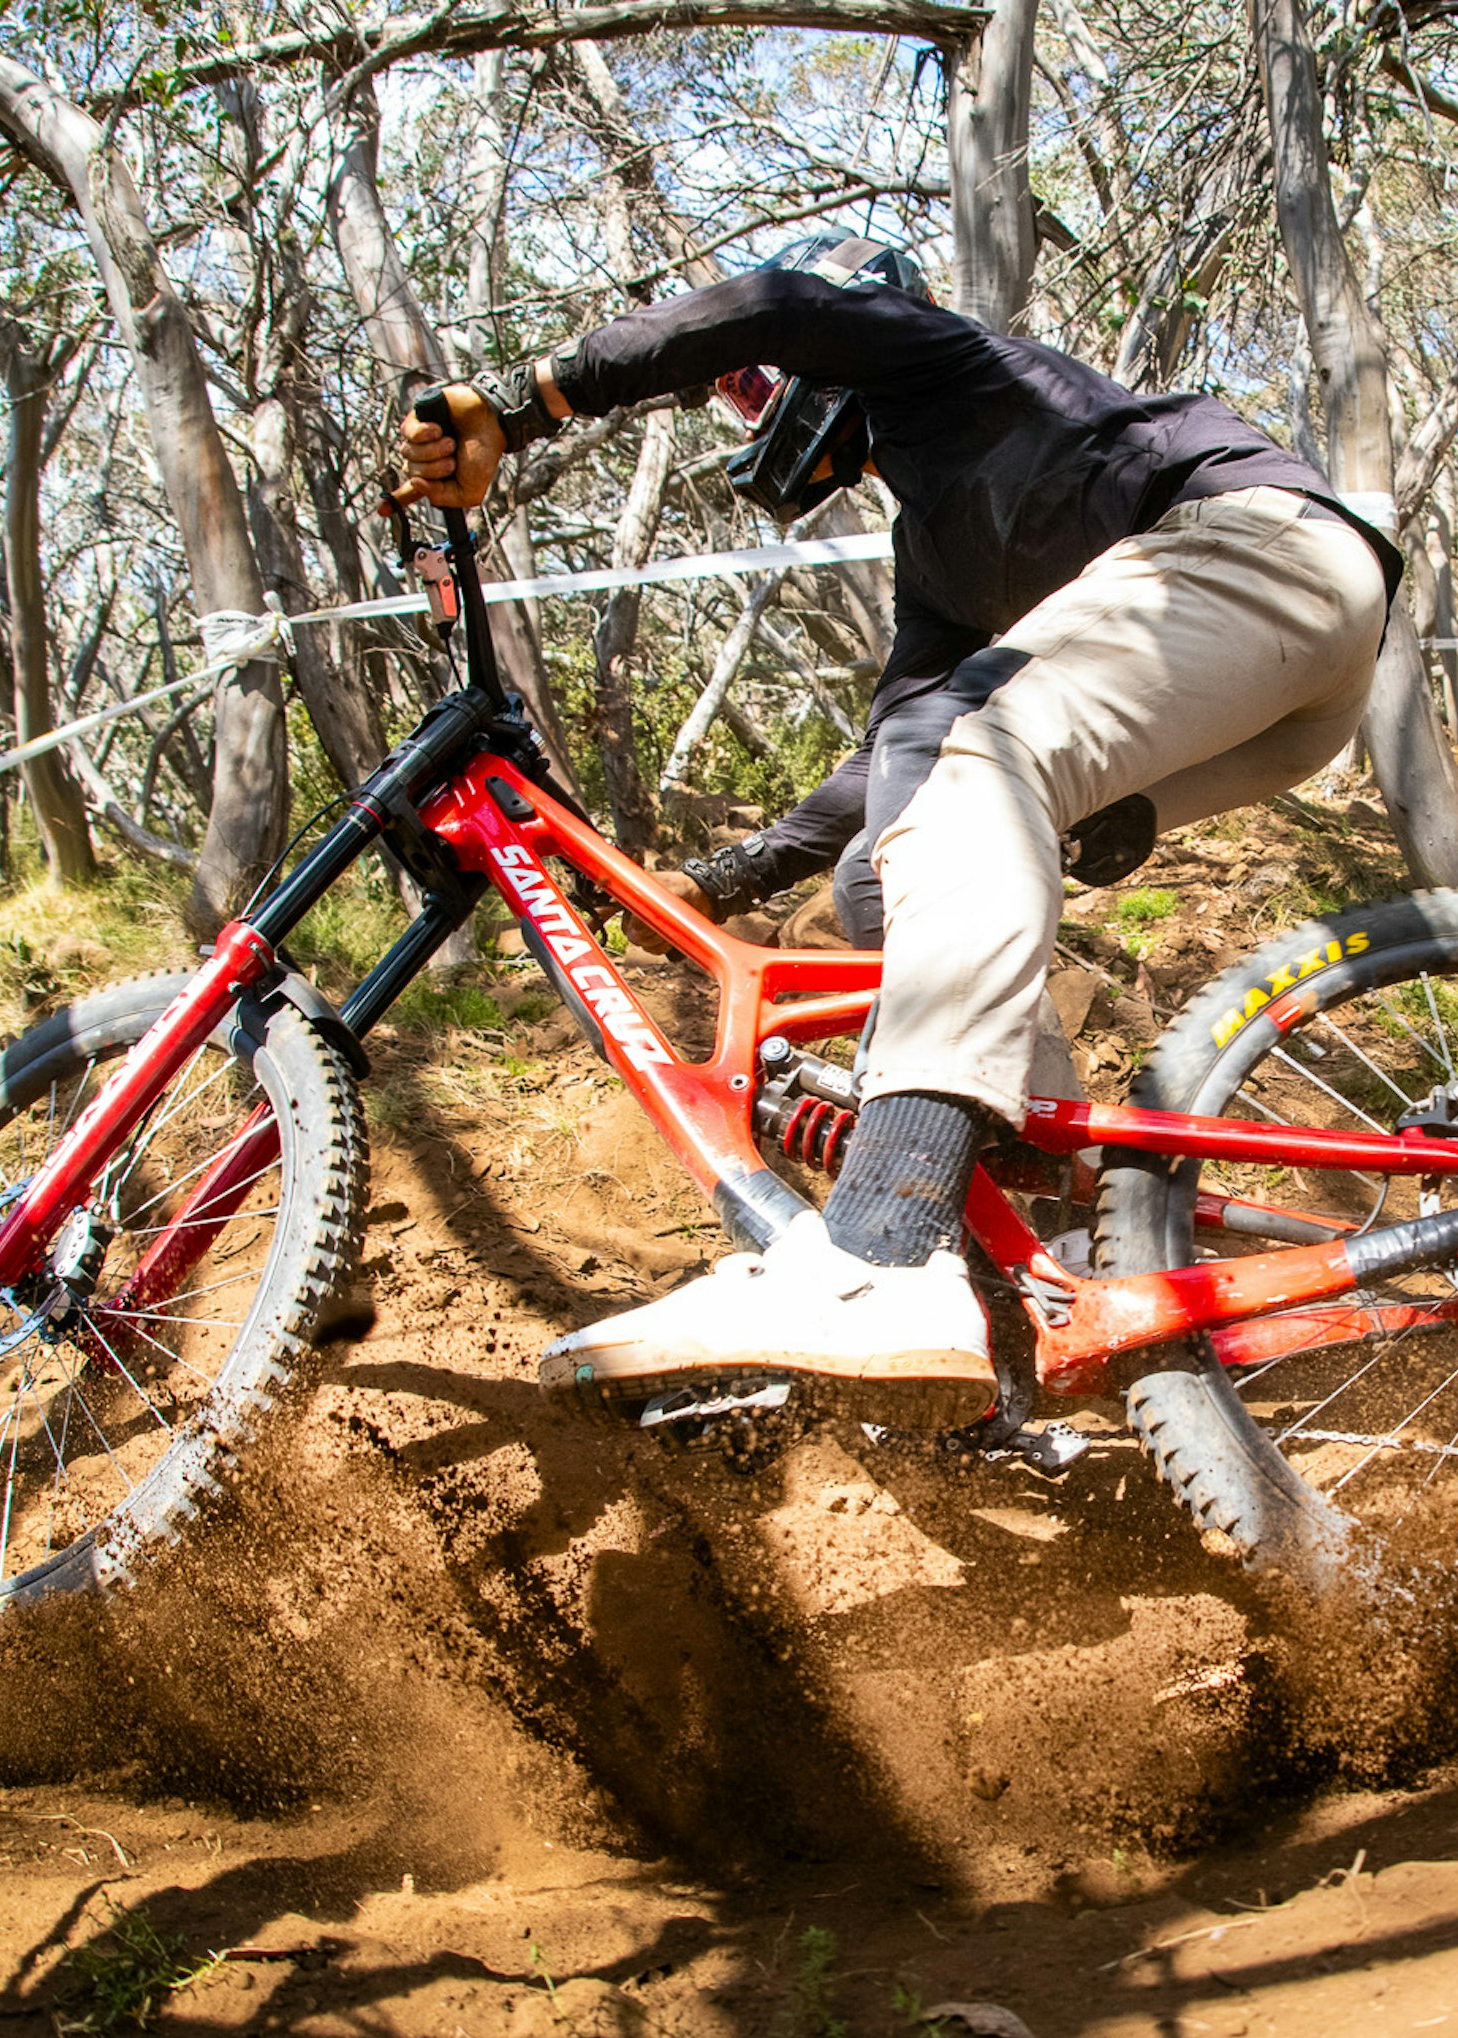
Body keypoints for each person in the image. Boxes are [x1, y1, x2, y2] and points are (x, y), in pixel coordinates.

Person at [400, 231, 1398, 1430]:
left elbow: (773, 304)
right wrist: (723, 879)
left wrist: (530, 402)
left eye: (758, 387)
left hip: (1262, 556)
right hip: (1269, 683)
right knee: (898, 869)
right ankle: (1055, 1243)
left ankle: (883, 1245)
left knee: (988, 774)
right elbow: (896, 758)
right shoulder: (934, 558)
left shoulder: (946, 363)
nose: (755, 406)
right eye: (741, 396)